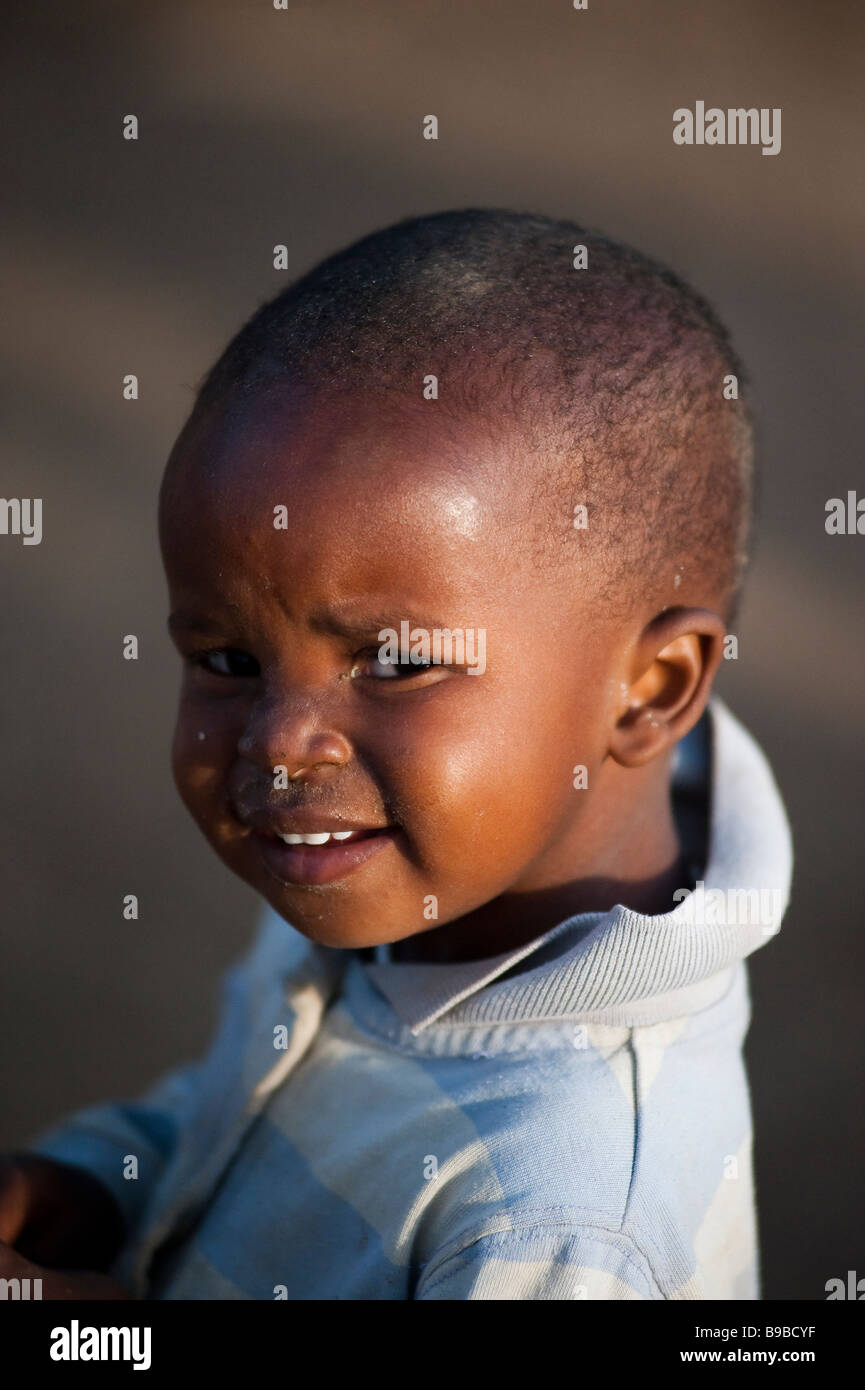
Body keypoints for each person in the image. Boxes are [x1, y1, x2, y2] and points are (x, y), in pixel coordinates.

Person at [0, 209, 792, 1299]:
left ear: (648, 690)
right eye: (228, 657)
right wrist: (95, 1183)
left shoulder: (561, 1218)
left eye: (397, 663)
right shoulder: (378, 875)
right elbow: (245, 1122)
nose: (280, 740)